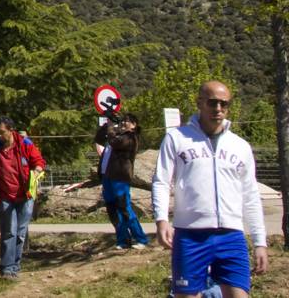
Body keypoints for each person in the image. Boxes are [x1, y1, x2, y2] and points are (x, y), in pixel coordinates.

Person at [152, 81, 268, 297]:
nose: (218, 109)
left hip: (231, 236)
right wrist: (161, 220)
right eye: (212, 102)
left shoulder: (240, 146)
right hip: (190, 235)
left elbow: (250, 195)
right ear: (199, 103)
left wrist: (260, 242)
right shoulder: (176, 138)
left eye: (224, 104)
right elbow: (161, 181)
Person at [0, 116, 46, 281]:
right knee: (9, 232)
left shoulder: (25, 144)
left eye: (2, 132)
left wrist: (36, 172)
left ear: (11, 130)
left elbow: (38, 161)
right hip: (5, 196)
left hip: (25, 196)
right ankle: (7, 268)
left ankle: (15, 267)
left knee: (20, 233)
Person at [94, 113, 149, 250]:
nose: (124, 123)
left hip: (120, 177)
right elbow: (98, 139)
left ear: (135, 125)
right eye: (123, 120)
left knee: (124, 207)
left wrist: (111, 129)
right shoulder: (115, 135)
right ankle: (123, 239)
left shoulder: (131, 137)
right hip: (107, 176)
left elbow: (116, 142)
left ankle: (141, 238)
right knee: (113, 209)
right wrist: (106, 126)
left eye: (128, 121)